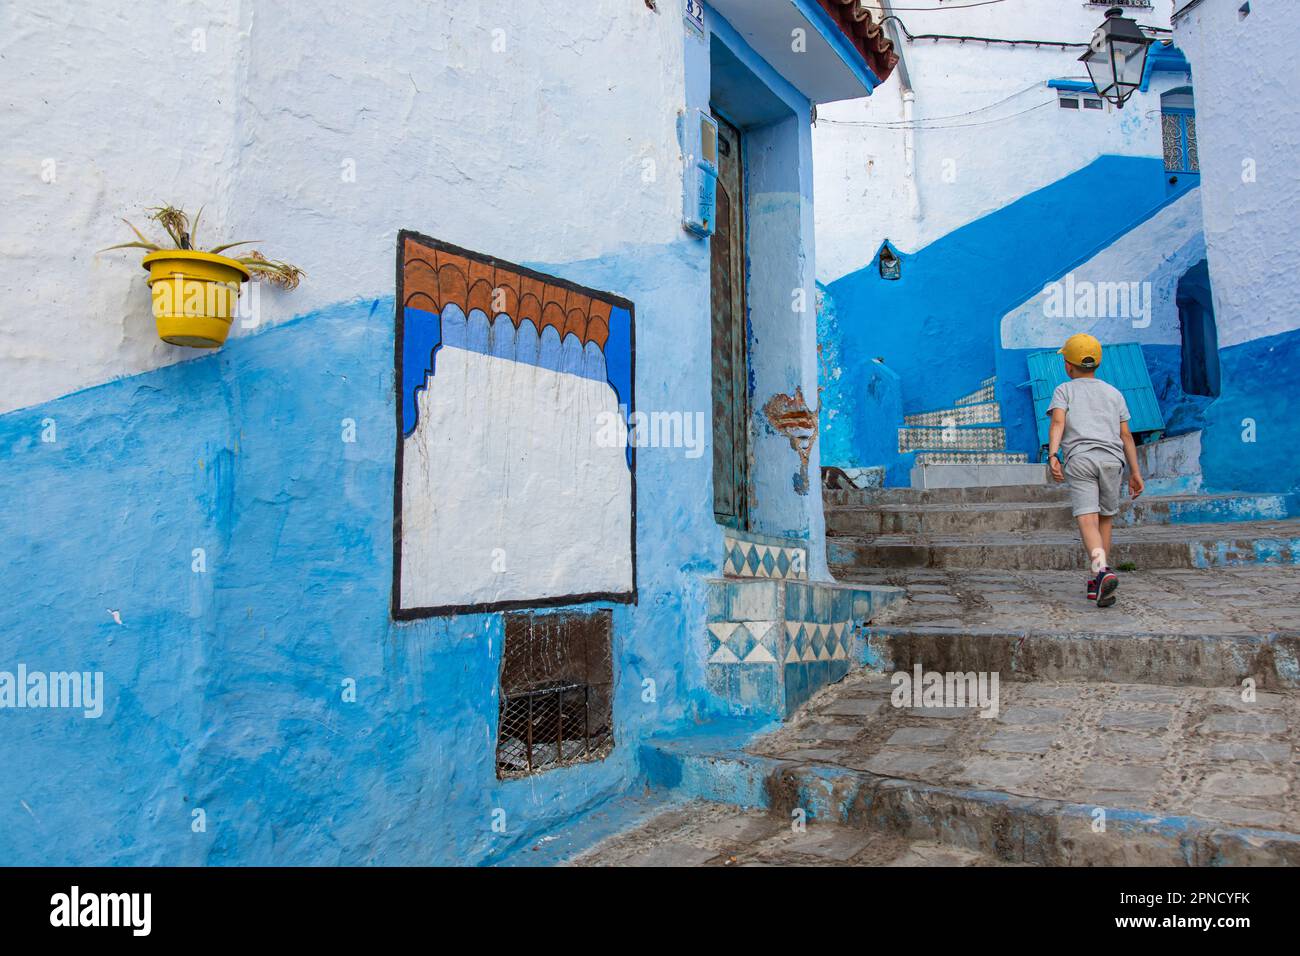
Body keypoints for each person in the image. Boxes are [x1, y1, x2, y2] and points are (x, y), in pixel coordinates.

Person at [1046, 333, 1145, 607]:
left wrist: (1053, 454)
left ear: (1068, 365)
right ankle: (1096, 580)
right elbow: (1126, 436)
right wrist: (1136, 472)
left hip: (1081, 460)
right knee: (1105, 520)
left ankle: (1102, 570)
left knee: (1087, 520)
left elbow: (1057, 423)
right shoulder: (1114, 393)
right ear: (1097, 363)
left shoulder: (1064, 390)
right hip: (1114, 462)